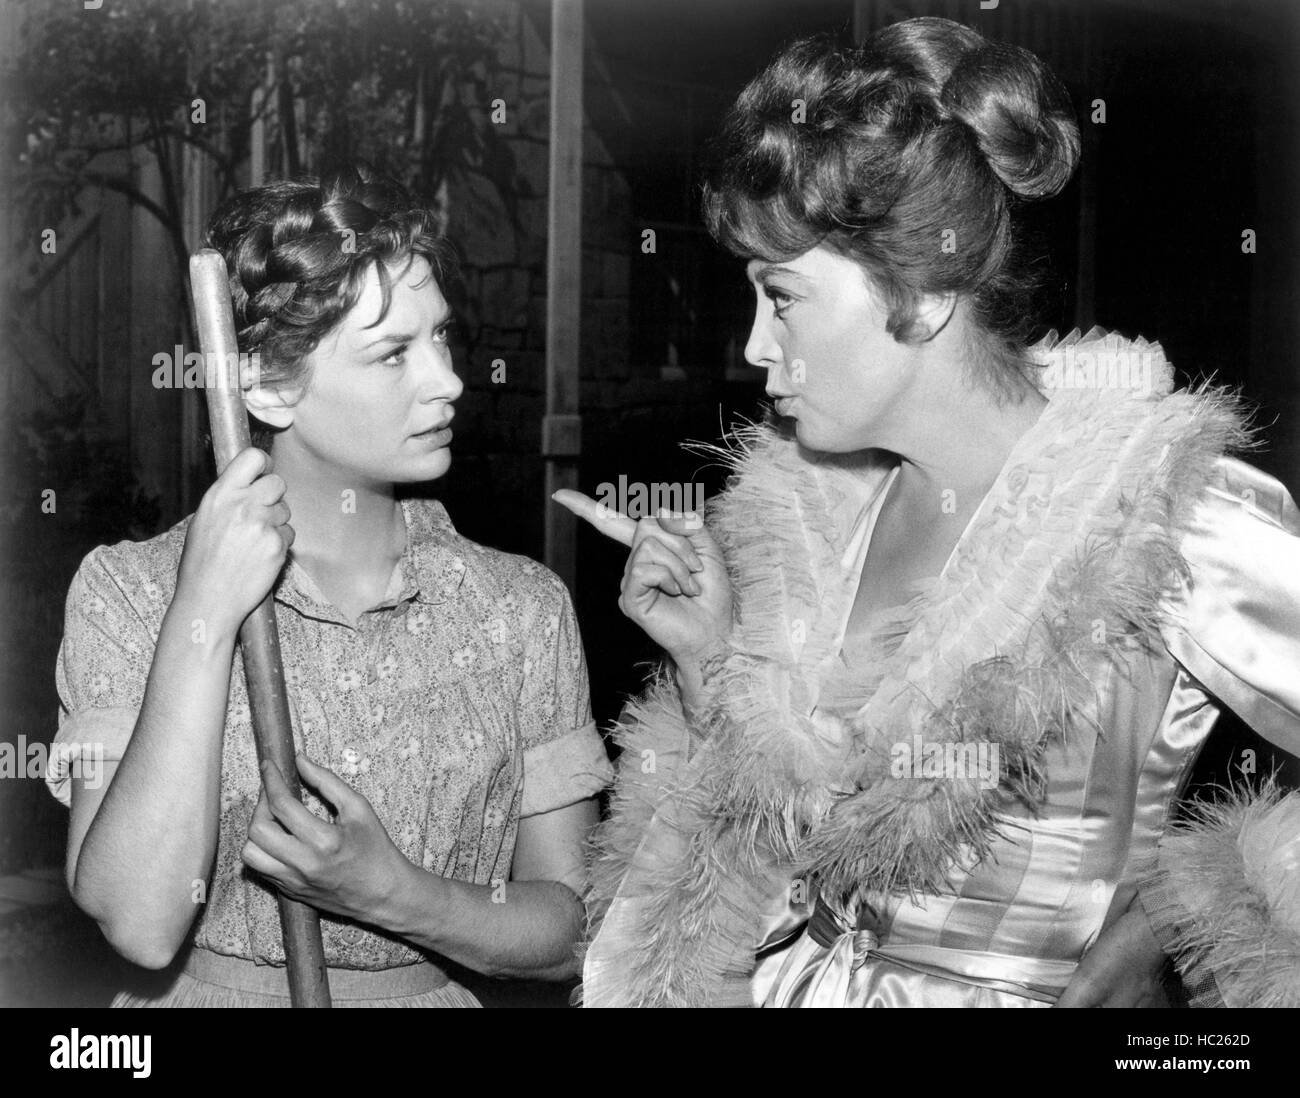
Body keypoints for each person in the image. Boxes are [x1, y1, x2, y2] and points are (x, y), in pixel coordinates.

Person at [556, 18, 1300, 1008]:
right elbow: (758, 855)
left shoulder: (1160, 516)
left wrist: (1167, 922)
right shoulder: (813, 518)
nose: (752, 346)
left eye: (781, 298)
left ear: (922, 293)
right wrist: (712, 668)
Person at [46, 165, 613, 1007]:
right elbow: (140, 921)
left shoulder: (518, 611)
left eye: (441, 337)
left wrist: (395, 893)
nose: (448, 380)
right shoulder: (130, 593)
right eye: (392, 354)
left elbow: (574, 930)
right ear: (268, 386)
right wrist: (202, 615)